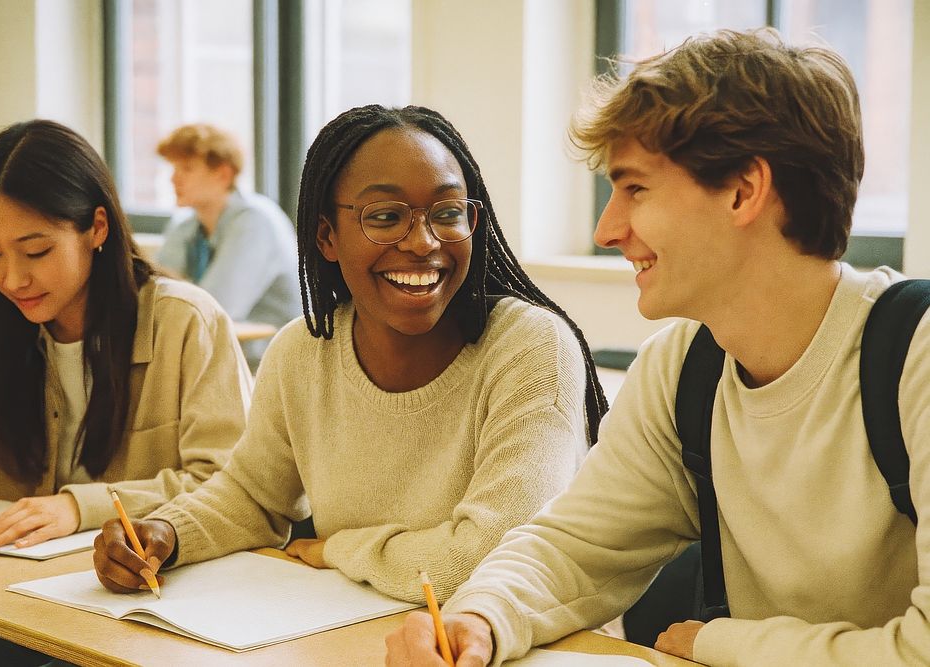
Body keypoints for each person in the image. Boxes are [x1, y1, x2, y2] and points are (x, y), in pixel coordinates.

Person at [386, 28, 930, 666]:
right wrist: (479, 618)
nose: (607, 229)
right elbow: (576, 549)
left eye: (636, 189)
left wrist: (716, 641)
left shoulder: (916, 356)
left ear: (743, 191)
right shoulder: (682, 366)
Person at [92, 104, 610, 605]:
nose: (423, 242)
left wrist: (336, 550)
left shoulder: (531, 348)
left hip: (526, 644)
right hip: (356, 629)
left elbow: (492, 557)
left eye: (448, 213)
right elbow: (251, 496)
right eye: (385, 217)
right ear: (327, 237)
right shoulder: (302, 351)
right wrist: (167, 532)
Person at [0, 119, 253, 665]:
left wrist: (77, 507)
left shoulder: (184, 322)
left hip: (137, 602)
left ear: (96, 227)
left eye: (36, 251)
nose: (12, 279)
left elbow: (230, 485)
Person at [155, 123, 301, 367]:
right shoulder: (187, 225)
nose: (173, 178)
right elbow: (155, 294)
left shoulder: (255, 222)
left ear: (223, 174)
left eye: (187, 168)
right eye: (174, 168)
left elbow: (213, 309)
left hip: (273, 362)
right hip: (224, 353)